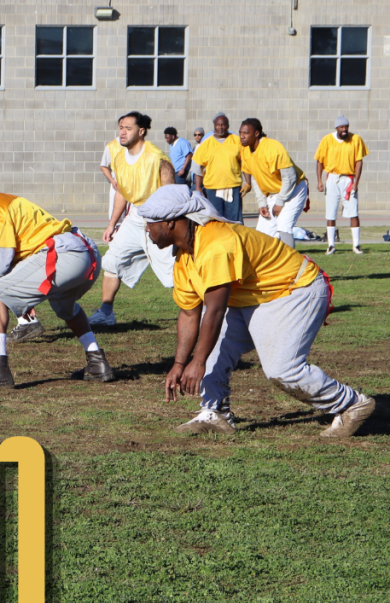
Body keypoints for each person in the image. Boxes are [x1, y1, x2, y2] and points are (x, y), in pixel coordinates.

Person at [141, 184, 375, 437]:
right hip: (254, 298)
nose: (147, 229)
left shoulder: (216, 242)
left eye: (151, 222)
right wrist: (179, 363)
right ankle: (215, 412)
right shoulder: (184, 256)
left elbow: (216, 311)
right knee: (210, 351)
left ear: (171, 223)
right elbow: (189, 313)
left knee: (282, 370)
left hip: (296, 288)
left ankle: (352, 404)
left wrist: (196, 362)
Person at [0, 165, 113, 389]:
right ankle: (97, 362)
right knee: (64, 305)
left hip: (62, 255)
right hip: (85, 252)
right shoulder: (6, 201)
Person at [88, 112, 176, 326]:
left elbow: (171, 194)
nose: (122, 132)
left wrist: (159, 222)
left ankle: (203, 311)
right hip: (135, 217)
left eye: (128, 128)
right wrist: (112, 224)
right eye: (120, 127)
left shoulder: (157, 158)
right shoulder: (118, 158)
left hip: (158, 219)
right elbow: (121, 193)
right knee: (112, 261)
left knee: (175, 271)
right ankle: (106, 312)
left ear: (141, 131)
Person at [239, 118, 307, 248]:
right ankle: (267, 266)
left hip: (294, 188)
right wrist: (262, 203)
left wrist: (280, 202)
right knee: (262, 232)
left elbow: (290, 177)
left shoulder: (272, 147)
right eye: (240, 132)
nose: (242, 136)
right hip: (274, 192)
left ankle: (291, 264)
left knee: (283, 225)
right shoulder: (245, 150)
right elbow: (255, 177)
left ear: (257, 133)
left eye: (246, 132)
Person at [315, 115, 368, 255]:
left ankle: (356, 245)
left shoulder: (356, 139)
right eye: (341, 127)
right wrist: (319, 181)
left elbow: (359, 162)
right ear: (336, 128)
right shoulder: (327, 140)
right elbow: (319, 161)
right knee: (331, 213)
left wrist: (356, 181)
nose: (344, 129)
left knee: (354, 212)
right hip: (332, 178)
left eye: (346, 126)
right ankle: (331, 245)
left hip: (349, 179)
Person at [191, 113, 243, 223]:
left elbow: (245, 162)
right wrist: (198, 188)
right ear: (214, 126)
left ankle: (235, 240)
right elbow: (197, 167)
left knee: (234, 222)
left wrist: (248, 182)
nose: (220, 127)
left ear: (228, 126)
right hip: (212, 188)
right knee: (216, 221)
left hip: (233, 187)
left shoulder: (237, 141)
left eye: (223, 124)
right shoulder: (206, 144)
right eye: (218, 124)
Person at [99, 135, 123, 223]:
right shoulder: (112, 146)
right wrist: (112, 181)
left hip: (132, 186)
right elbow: (103, 166)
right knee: (116, 215)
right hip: (117, 185)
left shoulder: (136, 145)